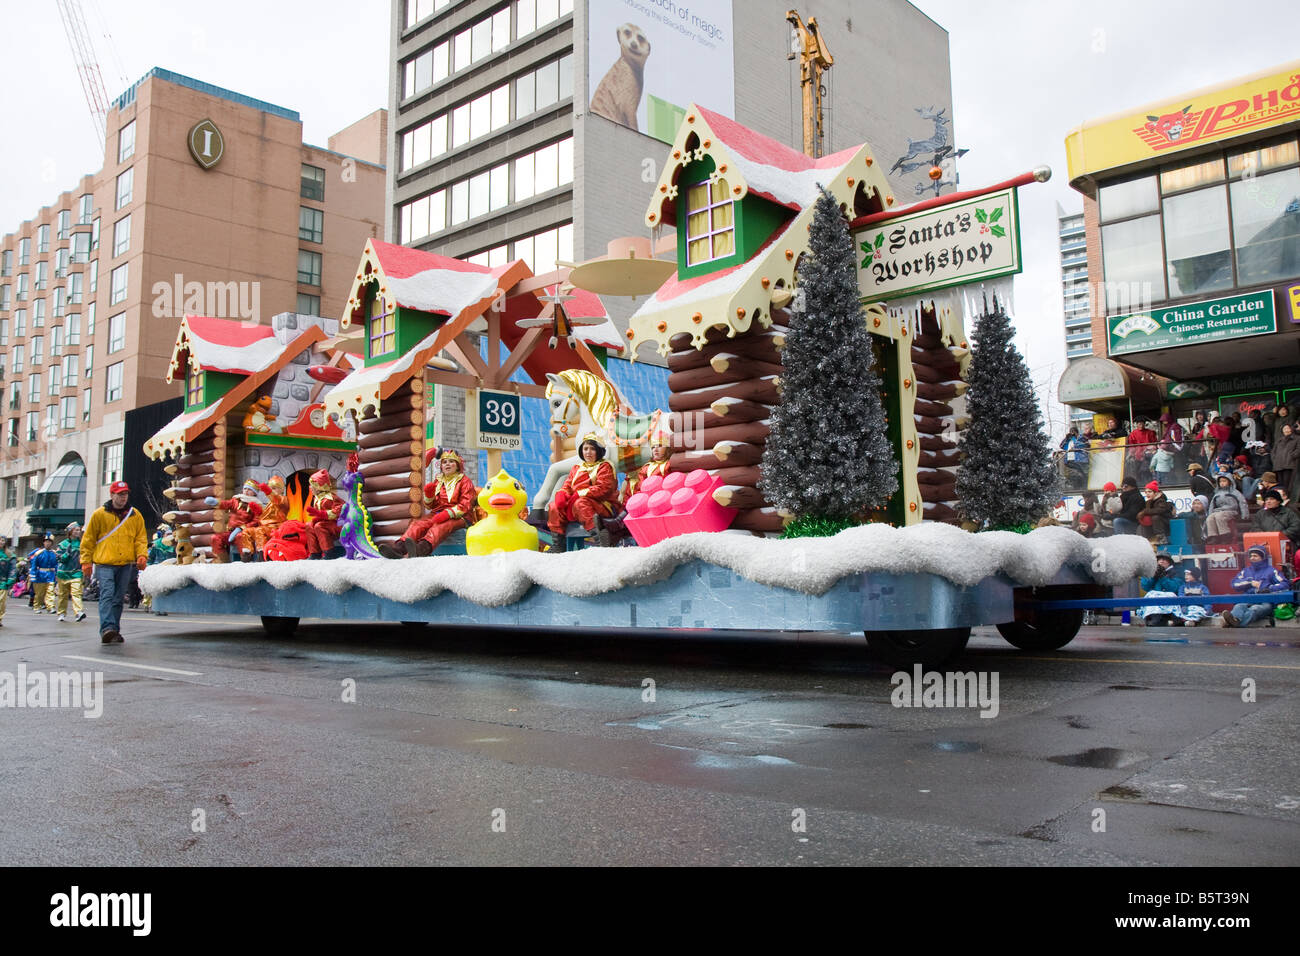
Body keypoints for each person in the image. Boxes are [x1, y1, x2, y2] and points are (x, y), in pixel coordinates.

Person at [80, 480, 148, 644]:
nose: (123, 498)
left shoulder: (135, 515)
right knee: (107, 594)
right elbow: (88, 540)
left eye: (125, 494)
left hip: (125, 563)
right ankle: (107, 628)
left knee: (118, 598)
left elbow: (140, 538)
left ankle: (114, 630)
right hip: (105, 563)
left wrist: (142, 555)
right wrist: (86, 562)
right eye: (120, 494)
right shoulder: (99, 514)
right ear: (112, 495)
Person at [385, 448, 478, 558]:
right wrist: (429, 496)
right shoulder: (438, 480)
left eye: (451, 461)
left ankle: (421, 549)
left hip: (460, 517)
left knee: (440, 526)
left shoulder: (465, 481)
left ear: (457, 465)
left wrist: (447, 514)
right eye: (444, 462)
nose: (447, 464)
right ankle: (399, 548)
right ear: (441, 466)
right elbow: (432, 506)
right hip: (438, 513)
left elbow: (466, 505)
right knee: (418, 524)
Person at [548, 433, 619, 543]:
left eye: (592, 449)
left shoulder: (605, 466)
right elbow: (567, 486)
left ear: (599, 451)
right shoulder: (577, 468)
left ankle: (599, 539)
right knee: (554, 506)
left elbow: (604, 489)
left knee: (581, 503)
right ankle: (558, 544)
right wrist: (562, 493)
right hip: (575, 505)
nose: (588, 452)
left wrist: (580, 494)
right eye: (585, 449)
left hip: (602, 506)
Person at [1222, 545, 1289, 627]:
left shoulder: (1272, 570)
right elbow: (1234, 584)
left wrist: (1269, 589)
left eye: (1255, 556)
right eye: (1251, 556)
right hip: (1248, 598)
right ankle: (1235, 620)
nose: (1252, 558)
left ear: (1262, 557)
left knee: (1255, 609)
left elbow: (1285, 584)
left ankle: (1232, 624)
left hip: (1265, 601)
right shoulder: (1246, 571)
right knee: (1238, 606)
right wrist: (1250, 583)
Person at [304, 467, 344, 558]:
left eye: (312, 486)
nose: (310, 488)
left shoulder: (331, 498)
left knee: (319, 526)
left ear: (319, 487)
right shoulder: (317, 499)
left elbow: (341, 509)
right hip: (325, 524)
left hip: (337, 524)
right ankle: (315, 553)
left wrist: (323, 515)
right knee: (308, 525)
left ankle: (329, 552)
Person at [1138, 552, 1182, 627]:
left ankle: (1168, 620)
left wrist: (1163, 578)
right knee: (1151, 595)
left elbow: (1174, 588)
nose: (1161, 561)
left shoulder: (1175, 572)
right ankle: (1153, 619)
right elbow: (1145, 586)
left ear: (1169, 562)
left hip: (1169, 598)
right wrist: (1153, 577)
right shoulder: (1150, 572)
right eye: (1159, 559)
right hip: (1154, 600)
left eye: (1165, 559)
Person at [54, 522, 86, 623]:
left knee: (76, 593)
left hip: (76, 572)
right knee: (62, 595)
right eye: (76, 530)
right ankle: (62, 613)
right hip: (63, 573)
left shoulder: (82, 544)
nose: (78, 532)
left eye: (79, 530)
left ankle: (78, 612)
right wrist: (66, 554)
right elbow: (59, 558)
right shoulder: (63, 544)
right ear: (70, 531)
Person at [1206, 474, 1250, 542]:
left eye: (1224, 481)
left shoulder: (1235, 492)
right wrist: (1210, 513)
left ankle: (1225, 535)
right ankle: (1213, 536)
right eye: (1220, 482)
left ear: (1230, 482)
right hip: (1219, 511)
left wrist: (1245, 515)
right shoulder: (1217, 493)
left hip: (1232, 511)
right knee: (1210, 518)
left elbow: (1242, 502)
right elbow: (1212, 504)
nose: (1222, 483)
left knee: (1219, 516)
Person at [31, 535, 59, 614]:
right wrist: (33, 575)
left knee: (50, 592)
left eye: (49, 542)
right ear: (43, 543)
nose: (47, 543)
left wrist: (57, 574)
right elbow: (34, 565)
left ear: (52, 543)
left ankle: (50, 607)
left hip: (50, 574)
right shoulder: (38, 553)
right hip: (40, 575)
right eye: (46, 542)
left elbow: (57, 565)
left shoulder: (54, 553)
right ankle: (37, 606)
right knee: (39, 593)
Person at [0, 536, 15, 628]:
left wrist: (11, 579)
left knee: (1, 602)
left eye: (2, 540)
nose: (1, 542)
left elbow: (13, 569)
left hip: (3, 582)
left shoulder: (9, 555)